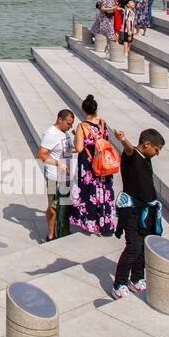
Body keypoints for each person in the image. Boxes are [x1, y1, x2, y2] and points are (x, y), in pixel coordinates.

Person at [111, 127, 166, 299]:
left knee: (142, 247)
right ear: (147, 144)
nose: (157, 154)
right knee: (133, 248)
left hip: (146, 211)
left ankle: (137, 278)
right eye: (156, 150)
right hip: (133, 212)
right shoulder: (132, 157)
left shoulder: (146, 159)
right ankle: (119, 284)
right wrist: (123, 138)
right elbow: (129, 149)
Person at [69, 95, 118, 236]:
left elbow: (78, 148)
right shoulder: (103, 123)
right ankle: (106, 224)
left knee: (90, 193)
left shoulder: (82, 126)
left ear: (84, 110)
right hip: (103, 163)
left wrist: (66, 148)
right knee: (104, 193)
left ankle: (92, 224)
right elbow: (103, 140)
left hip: (89, 165)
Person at [37, 109, 76, 243]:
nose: (70, 126)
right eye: (68, 123)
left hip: (66, 177)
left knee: (65, 206)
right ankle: (51, 235)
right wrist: (57, 163)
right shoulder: (50, 134)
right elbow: (41, 154)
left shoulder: (65, 133)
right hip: (54, 177)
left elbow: (70, 149)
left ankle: (64, 231)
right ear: (60, 119)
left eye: (71, 124)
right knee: (53, 207)